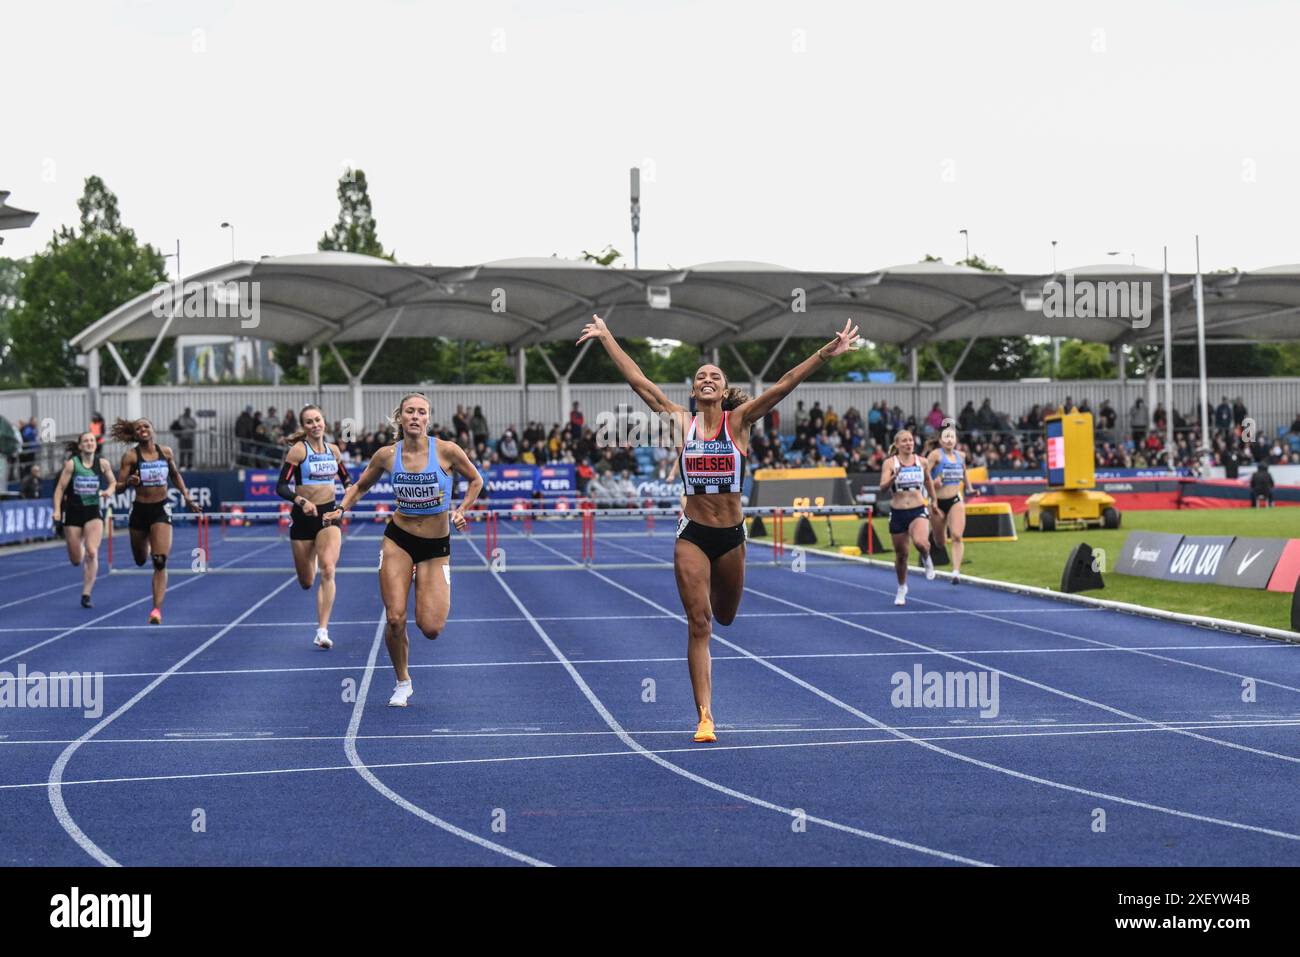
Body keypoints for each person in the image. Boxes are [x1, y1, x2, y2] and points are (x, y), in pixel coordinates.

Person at [577, 312, 860, 743]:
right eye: (700, 375)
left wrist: (827, 351)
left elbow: (785, 384)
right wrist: (606, 336)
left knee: (724, 616)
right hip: (692, 534)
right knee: (699, 623)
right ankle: (705, 716)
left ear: (723, 389)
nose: (707, 378)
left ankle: (710, 601)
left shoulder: (740, 422)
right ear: (693, 390)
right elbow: (640, 383)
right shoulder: (679, 422)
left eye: (715, 375)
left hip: (731, 537)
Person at [322, 393, 484, 707]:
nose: (415, 416)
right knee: (395, 618)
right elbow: (360, 485)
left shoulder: (447, 451)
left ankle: (409, 661)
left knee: (431, 628)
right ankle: (402, 681)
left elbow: (476, 480)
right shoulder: (386, 455)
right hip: (399, 539)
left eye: (421, 412)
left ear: (428, 418)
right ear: (400, 417)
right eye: (409, 411)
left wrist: (463, 509)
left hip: (436, 546)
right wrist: (341, 508)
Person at [113, 417, 202, 624]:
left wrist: (186, 495)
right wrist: (128, 482)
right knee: (140, 559)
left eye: (146, 426)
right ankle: (145, 549)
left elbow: (175, 474)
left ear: (153, 429)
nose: (143, 430)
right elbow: (118, 487)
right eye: (138, 428)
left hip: (160, 509)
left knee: (159, 560)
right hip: (139, 511)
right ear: (135, 434)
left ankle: (156, 610)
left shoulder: (166, 452)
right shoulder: (131, 456)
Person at [277, 405, 351, 649]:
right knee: (307, 581)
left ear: (324, 422)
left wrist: (349, 493)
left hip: (328, 516)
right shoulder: (299, 451)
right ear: (304, 427)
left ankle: (322, 630)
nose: (314, 425)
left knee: (328, 570)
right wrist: (301, 501)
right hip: (302, 519)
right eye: (309, 422)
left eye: (317, 419)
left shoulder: (334, 450)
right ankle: (314, 557)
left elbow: (346, 479)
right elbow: (281, 487)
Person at [51, 433, 116, 607]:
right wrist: (57, 510)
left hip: (93, 513)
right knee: (76, 560)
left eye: (92, 441)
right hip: (73, 514)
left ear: (96, 445)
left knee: (92, 552)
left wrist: (109, 491)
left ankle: (86, 594)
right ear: (80, 446)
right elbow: (60, 489)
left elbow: (113, 483)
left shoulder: (102, 463)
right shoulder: (72, 464)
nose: (89, 443)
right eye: (85, 441)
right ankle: (78, 545)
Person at [880, 428, 939, 605]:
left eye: (911, 440)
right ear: (897, 444)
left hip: (917, 509)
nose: (908, 443)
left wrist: (934, 501)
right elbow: (882, 487)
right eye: (904, 441)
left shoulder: (922, 461)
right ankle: (902, 587)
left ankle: (926, 557)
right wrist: (893, 478)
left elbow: (928, 481)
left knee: (921, 542)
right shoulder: (890, 463)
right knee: (901, 555)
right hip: (898, 512)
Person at [926, 427, 973, 584]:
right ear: (940, 441)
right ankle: (936, 536)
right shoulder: (935, 455)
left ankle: (956, 572)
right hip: (937, 502)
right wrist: (934, 483)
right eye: (946, 437)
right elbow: (923, 479)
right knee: (940, 541)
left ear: (956, 440)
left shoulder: (961, 456)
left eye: (952, 437)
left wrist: (970, 488)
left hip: (955, 500)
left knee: (957, 536)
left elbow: (964, 473)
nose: (949, 440)